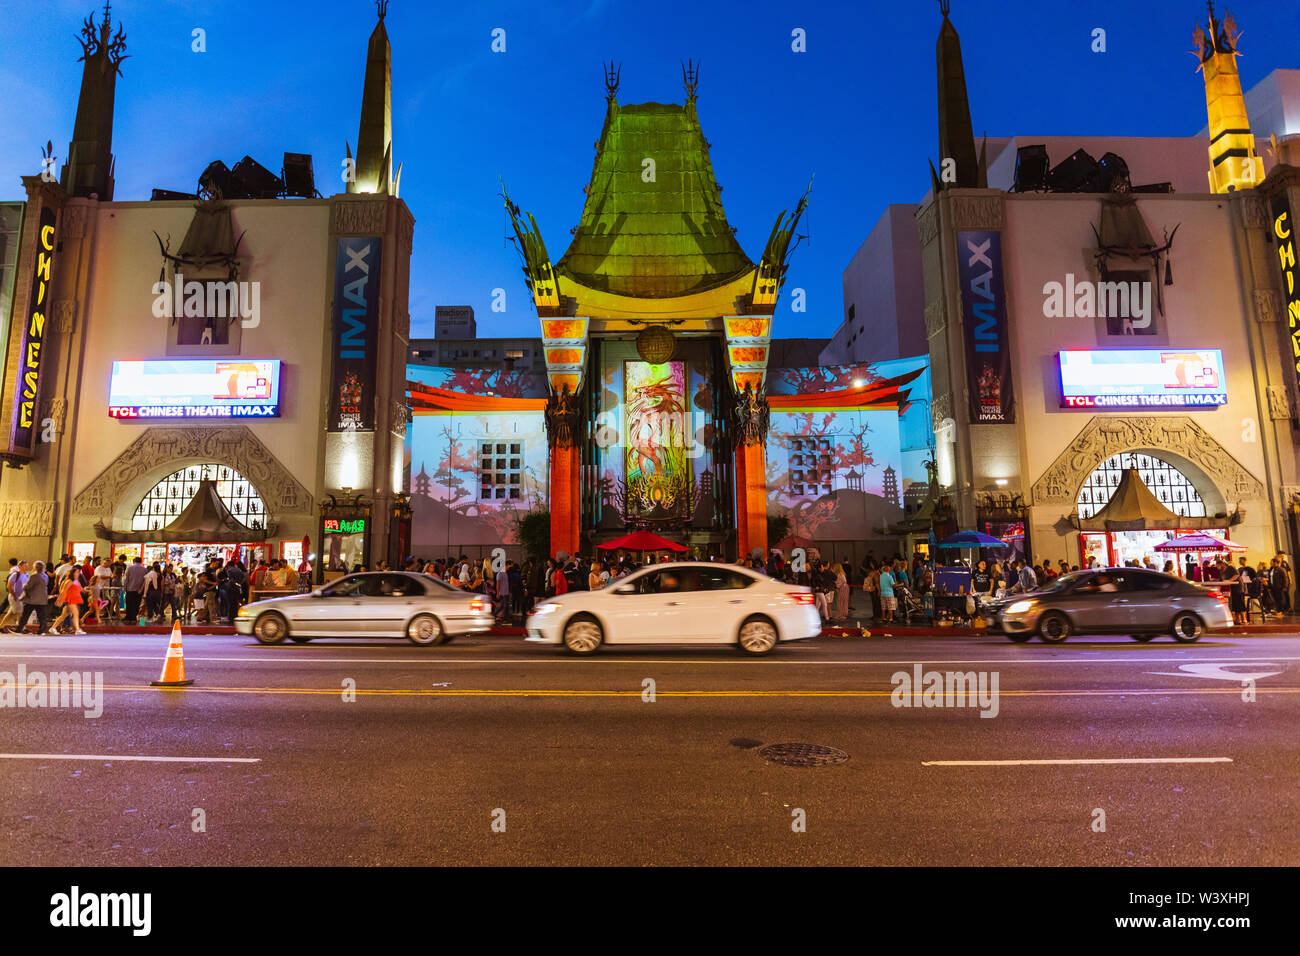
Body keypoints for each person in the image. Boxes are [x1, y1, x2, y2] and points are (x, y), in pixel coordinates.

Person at [16, 561, 50, 634]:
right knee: (41, 617)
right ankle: (41, 631)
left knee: (25, 616)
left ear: (35, 567)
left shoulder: (34, 576)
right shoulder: (45, 576)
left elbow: (28, 587)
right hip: (42, 600)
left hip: (32, 599)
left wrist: (23, 585)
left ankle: (19, 629)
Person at [1, 558, 25, 633]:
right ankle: (21, 628)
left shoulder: (22, 574)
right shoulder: (15, 573)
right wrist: (14, 595)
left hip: (17, 596)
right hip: (15, 596)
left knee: (11, 612)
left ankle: (1, 626)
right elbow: (10, 585)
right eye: (25, 566)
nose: (27, 567)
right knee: (20, 612)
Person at [123, 556, 147, 625]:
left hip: (130, 588)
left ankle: (128, 617)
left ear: (134, 561)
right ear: (141, 562)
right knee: (137, 603)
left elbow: (126, 579)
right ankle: (134, 617)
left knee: (129, 603)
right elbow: (145, 580)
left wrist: (125, 588)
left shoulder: (129, 568)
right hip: (139, 589)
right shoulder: (144, 569)